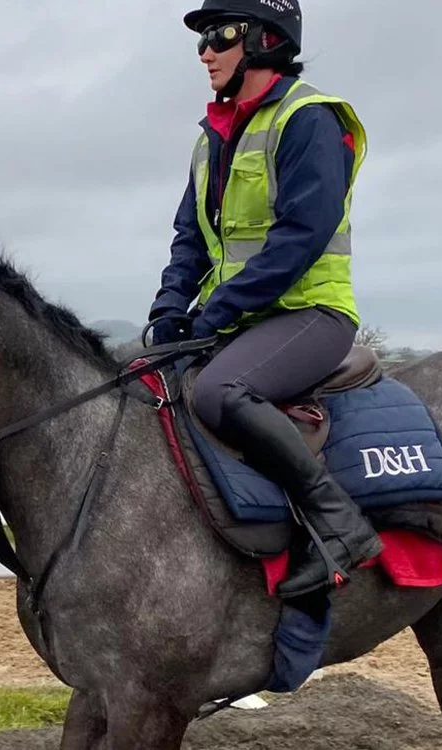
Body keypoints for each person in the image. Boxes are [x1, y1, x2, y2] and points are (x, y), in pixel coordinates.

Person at [148, 0, 383, 598]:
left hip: (311, 313)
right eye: (200, 40)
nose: (205, 53)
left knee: (219, 390)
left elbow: (300, 238)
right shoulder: (213, 138)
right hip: (243, 318)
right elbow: (189, 239)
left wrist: (217, 310)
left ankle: (338, 525)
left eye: (218, 36)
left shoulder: (310, 121)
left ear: (265, 39)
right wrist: (170, 309)